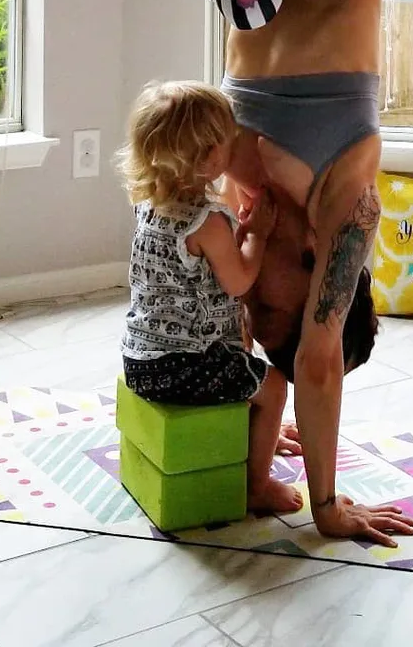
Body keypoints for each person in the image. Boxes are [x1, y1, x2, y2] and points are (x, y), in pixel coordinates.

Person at [186, 0, 413, 547]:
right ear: (328, 275)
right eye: (276, 313)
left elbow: (286, 361)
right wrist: (326, 504)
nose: (256, 314)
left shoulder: (245, 189)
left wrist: (263, 425)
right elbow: (317, 360)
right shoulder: (347, 207)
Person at [116, 79, 303, 515]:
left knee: (244, 357)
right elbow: (238, 281)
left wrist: (234, 237)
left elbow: (193, 271)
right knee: (274, 387)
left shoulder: (150, 204)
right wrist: (255, 234)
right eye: (225, 141)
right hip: (183, 366)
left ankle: (257, 436)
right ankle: (256, 484)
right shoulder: (206, 221)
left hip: (141, 360)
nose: (232, 145)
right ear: (204, 161)